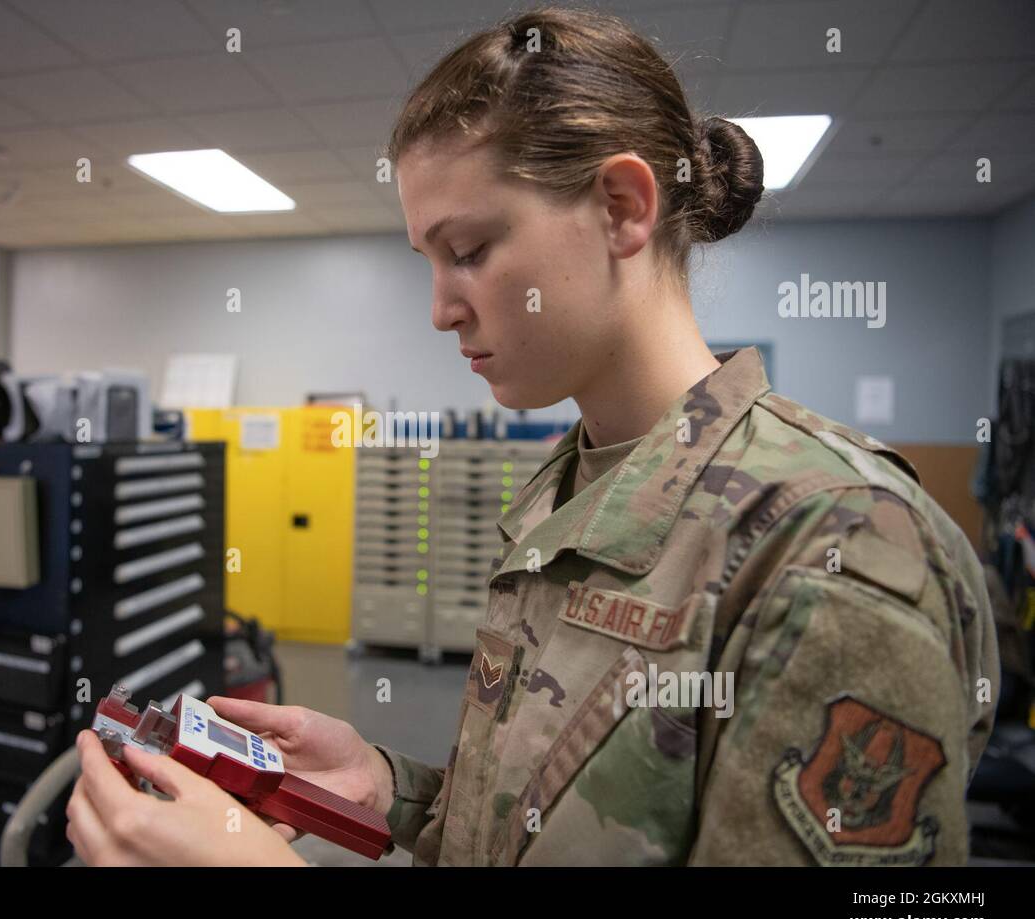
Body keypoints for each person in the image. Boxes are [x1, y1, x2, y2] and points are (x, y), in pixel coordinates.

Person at [66, 7, 998, 866]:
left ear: (624, 208)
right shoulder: (565, 492)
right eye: (429, 261)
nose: (440, 310)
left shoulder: (834, 542)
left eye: (468, 251)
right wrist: (391, 791)